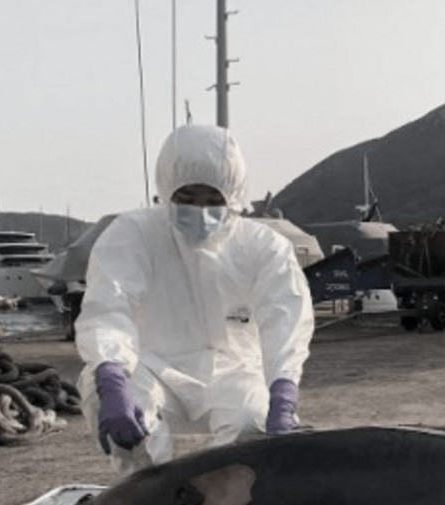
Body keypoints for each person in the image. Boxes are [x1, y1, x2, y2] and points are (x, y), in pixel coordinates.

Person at [75, 124, 314, 474]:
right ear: (166, 190)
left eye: (213, 200)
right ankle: (148, 502)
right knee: (119, 411)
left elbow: (285, 318)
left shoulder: (263, 246)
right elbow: (110, 306)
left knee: (253, 425)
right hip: (151, 364)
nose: (200, 211)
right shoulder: (135, 233)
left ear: (233, 196)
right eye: (187, 199)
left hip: (231, 368)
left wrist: (283, 391)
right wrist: (112, 377)